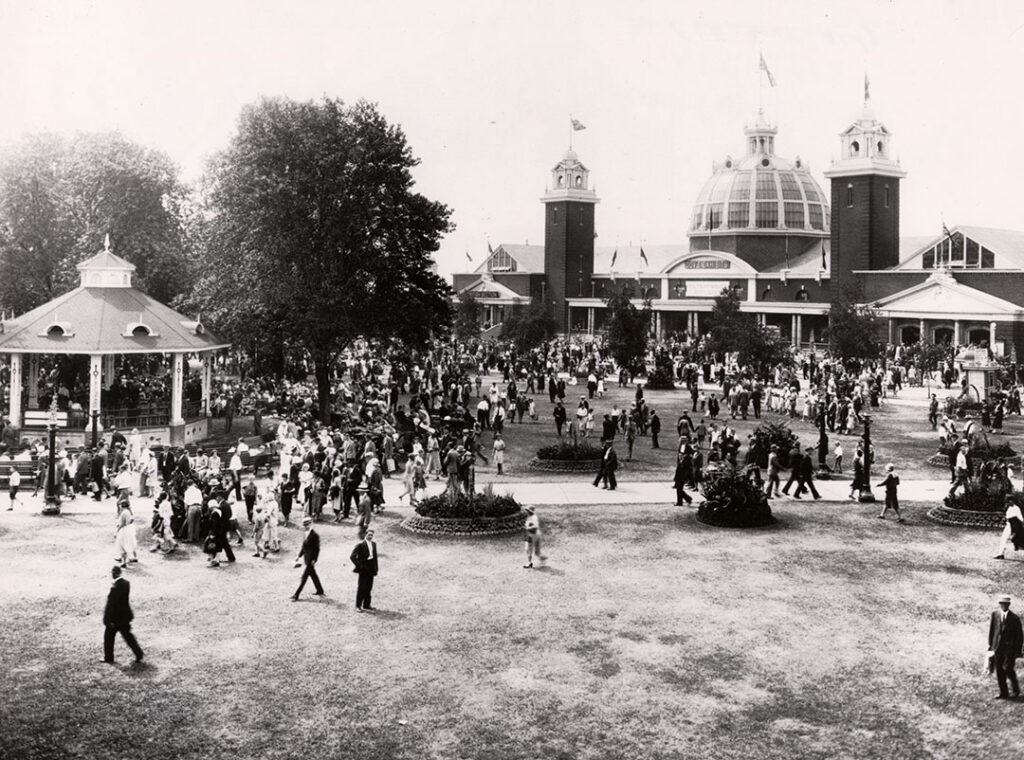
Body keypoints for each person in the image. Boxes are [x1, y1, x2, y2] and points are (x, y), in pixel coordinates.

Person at [102, 565, 143, 664]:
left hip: (115, 619)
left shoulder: (115, 588)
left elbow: (111, 606)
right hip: (125, 617)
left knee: (108, 638)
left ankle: (108, 657)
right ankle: (138, 653)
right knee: (128, 636)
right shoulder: (126, 583)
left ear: (113, 574)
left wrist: (107, 619)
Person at [988, 594, 1022, 700]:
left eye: (1005, 604)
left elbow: (1019, 636)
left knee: (1007, 668)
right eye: (1001, 604)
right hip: (998, 648)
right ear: (999, 604)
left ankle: (1015, 688)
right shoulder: (995, 614)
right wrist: (990, 645)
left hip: (1009, 649)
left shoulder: (1014, 618)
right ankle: (1004, 693)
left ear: (1009, 605)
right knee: (999, 670)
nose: (1003, 606)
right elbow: (992, 630)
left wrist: (1018, 650)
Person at [292, 516, 324, 600]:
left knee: (304, 577)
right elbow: (304, 547)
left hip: (311, 559)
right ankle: (320, 590)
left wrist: (314, 559)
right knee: (313, 575)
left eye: (307, 525)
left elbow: (317, 549)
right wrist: (299, 556)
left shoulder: (315, 535)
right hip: (306, 558)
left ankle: (296, 594)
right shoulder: (305, 533)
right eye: (304, 525)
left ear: (311, 524)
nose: (305, 527)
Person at [350, 527, 379, 611]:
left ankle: (367, 604)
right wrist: (360, 566)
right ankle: (358, 606)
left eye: (372, 535)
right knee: (362, 587)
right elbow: (352, 557)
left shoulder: (374, 544)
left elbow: (375, 557)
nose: (370, 536)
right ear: (365, 534)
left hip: (371, 567)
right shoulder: (360, 545)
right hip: (363, 568)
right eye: (369, 535)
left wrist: (376, 568)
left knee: (369, 587)